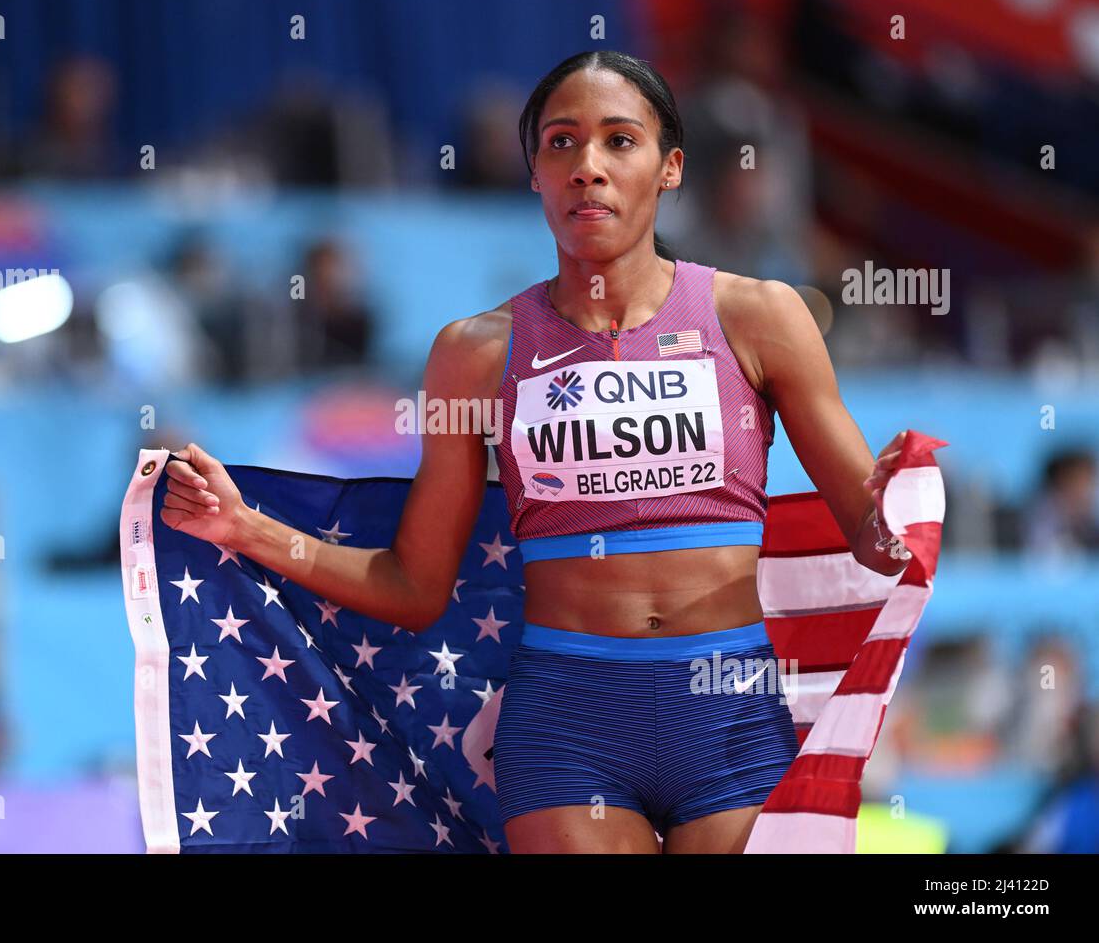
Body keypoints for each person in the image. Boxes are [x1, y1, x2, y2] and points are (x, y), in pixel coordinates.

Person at [159, 50, 912, 854]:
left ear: (671, 168)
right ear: (534, 173)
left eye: (620, 141)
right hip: (567, 725)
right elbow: (416, 585)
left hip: (728, 710)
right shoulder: (476, 353)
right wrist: (249, 532)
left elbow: (871, 538)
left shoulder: (762, 317)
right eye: (562, 143)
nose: (588, 167)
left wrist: (900, 509)